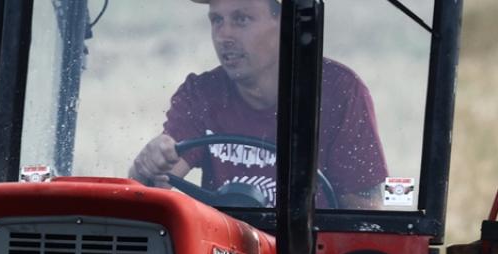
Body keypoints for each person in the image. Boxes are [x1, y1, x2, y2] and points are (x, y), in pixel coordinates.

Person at [129, 0, 388, 209]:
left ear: (286, 23)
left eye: (241, 19)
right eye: (217, 20)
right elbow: (156, 185)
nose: (224, 35)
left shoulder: (339, 92)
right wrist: (147, 167)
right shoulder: (202, 93)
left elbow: (364, 220)